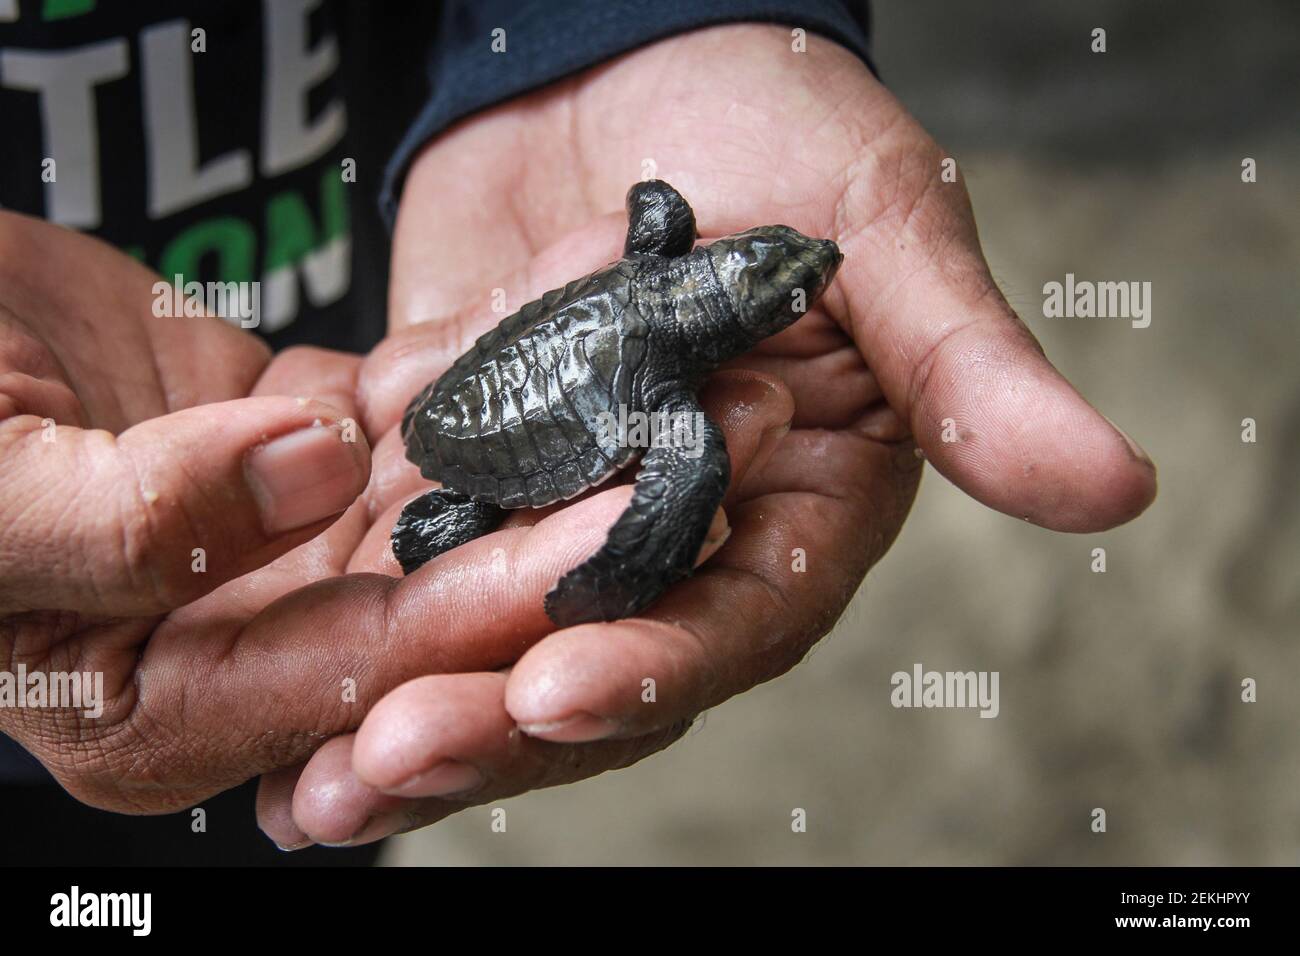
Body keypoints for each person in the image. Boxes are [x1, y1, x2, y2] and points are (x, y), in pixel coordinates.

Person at [0, 0, 1156, 863]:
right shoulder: (673, 400)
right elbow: (673, 362)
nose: (807, 278)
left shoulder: (665, 275)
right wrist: (629, 560)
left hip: (407, 339)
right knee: (676, 471)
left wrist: (623, 31)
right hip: (458, 417)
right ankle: (456, 526)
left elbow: (654, 209)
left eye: (785, 273)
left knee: (323, 804)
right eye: (790, 286)